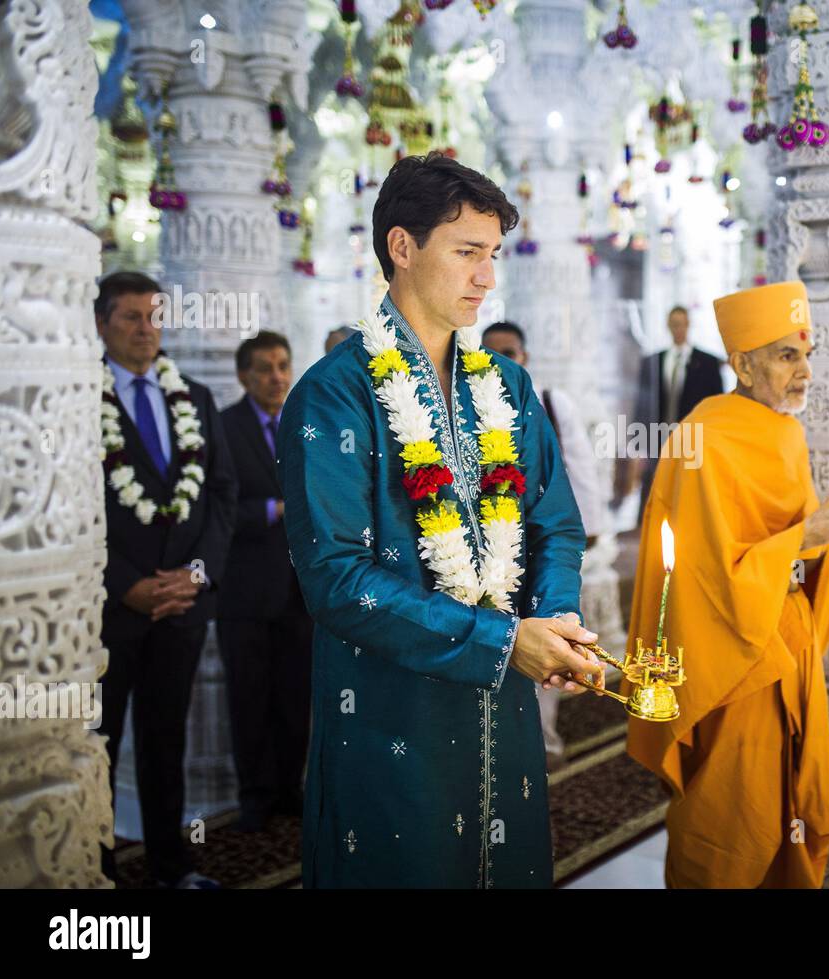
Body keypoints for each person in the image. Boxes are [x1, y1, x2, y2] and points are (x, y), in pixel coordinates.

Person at [277, 154, 604, 888]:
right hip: (392, 712)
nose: (486, 277)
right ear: (402, 247)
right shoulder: (334, 395)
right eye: (466, 252)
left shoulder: (508, 386)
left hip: (508, 709)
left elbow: (554, 520)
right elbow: (335, 577)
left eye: (492, 256)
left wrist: (554, 622)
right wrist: (500, 638)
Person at [624, 280, 829, 888]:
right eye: (788, 356)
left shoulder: (784, 430)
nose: (805, 372)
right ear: (742, 363)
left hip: (788, 634)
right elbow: (699, 576)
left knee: (790, 798)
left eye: (807, 354)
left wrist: (828, 528)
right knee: (734, 813)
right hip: (733, 656)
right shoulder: (701, 436)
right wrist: (805, 537)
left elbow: (792, 534)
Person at [95, 270, 237, 889]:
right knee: (94, 742)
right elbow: (67, 504)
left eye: (153, 316)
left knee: (164, 738)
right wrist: (123, 582)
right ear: (101, 324)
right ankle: (90, 869)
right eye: (130, 317)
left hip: (182, 603)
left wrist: (196, 574)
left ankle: (170, 867)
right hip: (109, 609)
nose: (145, 329)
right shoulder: (77, 398)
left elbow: (222, 495)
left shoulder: (196, 398)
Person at [482, 320, 607, 767]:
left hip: (543, 547)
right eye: (492, 351)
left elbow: (579, 466)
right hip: (493, 554)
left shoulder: (550, 402)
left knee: (550, 638)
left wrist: (586, 527)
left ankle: (546, 741)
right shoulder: (472, 406)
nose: (502, 360)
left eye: (510, 352)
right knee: (504, 646)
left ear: (524, 357)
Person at [216, 331, 313, 832]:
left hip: (300, 592)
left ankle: (288, 788)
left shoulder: (304, 422)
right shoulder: (223, 427)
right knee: (249, 698)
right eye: (264, 368)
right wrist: (275, 509)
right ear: (243, 376)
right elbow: (216, 509)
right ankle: (254, 797)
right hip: (245, 592)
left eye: (282, 365)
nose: (277, 377)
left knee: (295, 697)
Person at [630, 305, 724, 517]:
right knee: (656, 493)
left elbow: (716, 406)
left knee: (689, 495)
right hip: (658, 438)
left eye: (681, 324)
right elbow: (642, 404)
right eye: (674, 325)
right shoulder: (653, 361)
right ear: (668, 326)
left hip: (693, 439)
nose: (678, 329)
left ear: (688, 325)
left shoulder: (708, 362)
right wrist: (638, 445)